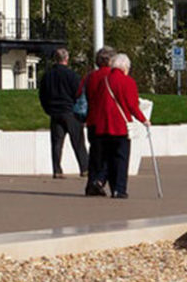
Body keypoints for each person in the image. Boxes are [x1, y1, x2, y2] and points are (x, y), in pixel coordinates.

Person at [83, 48, 144, 199]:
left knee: (101, 157)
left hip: (99, 123)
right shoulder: (126, 81)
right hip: (120, 126)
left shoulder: (98, 79)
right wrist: (144, 119)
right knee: (120, 159)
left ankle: (97, 181)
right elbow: (132, 105)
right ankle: (118, 189)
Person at [35, 47, 87, 179]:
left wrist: (48, 109)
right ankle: (84, 168)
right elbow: (79, 93)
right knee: (78, 142)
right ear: (66, 59)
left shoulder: (47, 76)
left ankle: (57, 169)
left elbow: (42, 95)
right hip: (70, 111)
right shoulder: (72, 75)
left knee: (57, 143)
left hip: (54, 112)